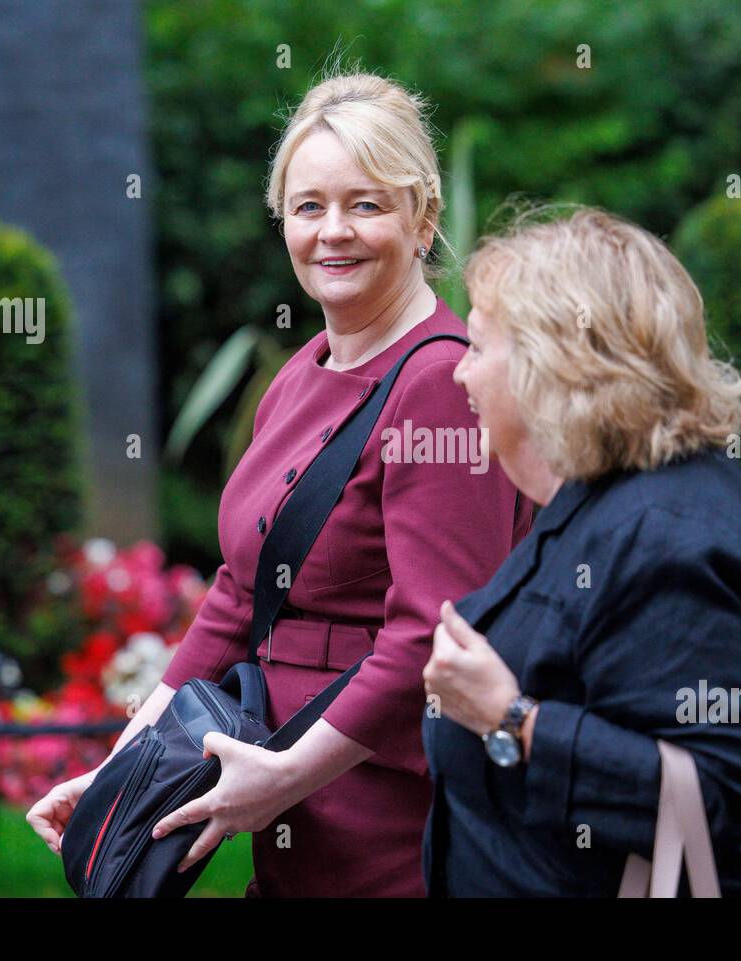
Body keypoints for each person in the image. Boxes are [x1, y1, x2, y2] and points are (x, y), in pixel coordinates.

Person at [28, 70, 530, 897]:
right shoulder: (298, 377)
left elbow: (430, 639)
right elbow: (236, 597)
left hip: (401, 819)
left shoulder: (440, 382)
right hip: (289, 808)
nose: (333, 232)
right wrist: (121, 771)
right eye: (309, 207)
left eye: (366, 204)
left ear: (424, 217)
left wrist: (286, 776)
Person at [421, 205, 741, 897]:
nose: (460, 376)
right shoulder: (616, 495)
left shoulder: (664, 533)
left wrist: (514, 718)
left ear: (550, 359)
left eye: (476, 347)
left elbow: (711, 793)